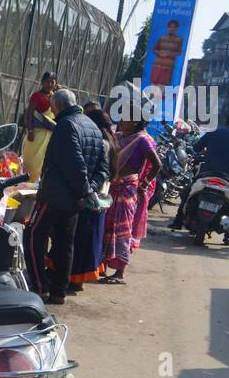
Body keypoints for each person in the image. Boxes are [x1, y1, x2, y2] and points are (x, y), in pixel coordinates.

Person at [24, 88, 109, 305]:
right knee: (64, 243)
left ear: (58, 106)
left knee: (33, 235)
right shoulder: (92, 127)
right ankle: (58, 292)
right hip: (75, 201)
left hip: (54, 197)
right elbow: (103, 168)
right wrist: (89, 190)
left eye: (53, 107)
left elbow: (75, 164)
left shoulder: (65, 125)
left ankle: (40, 287)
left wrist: (85, 191)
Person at [169, 110, 229, 243]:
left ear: (227, 121)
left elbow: (196, 148)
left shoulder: (214, 132)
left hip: (207, 172)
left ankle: (178, 221)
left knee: (188, 192)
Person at [61, 107, 119, 292]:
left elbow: (91, 172)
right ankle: (78, 279)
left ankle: (74, 278)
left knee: (80, 241)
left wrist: (84, 191)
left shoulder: (101, 143)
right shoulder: (111, 142)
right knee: (90, 241)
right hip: (100, 200)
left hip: (90, 199)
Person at [99, 111, 160, 283]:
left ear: (134, 122)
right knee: (107, 226)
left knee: (123, 229)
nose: (121, 121)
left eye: (125, 118)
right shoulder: (118, 136)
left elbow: (157, 164)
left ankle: (120, 272)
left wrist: (145, 183)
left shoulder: (142, 140)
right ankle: (102, 265)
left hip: (127, 188)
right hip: (113, 185)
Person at [21, 71, 58, 180]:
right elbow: (29, 113)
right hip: (37, 134)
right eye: (47, 82)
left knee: (44, 161)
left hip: (50, 134)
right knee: (32, 160)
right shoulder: (37, 96)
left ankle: (37, 185)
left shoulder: (55, 96)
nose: (50, 84)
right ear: (42, 82)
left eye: (52, 82)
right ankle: (28, 181)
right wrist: (30, 131)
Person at [149, 20, 184, 90]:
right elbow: (154, 50)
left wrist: (169, 54)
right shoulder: (162, 38)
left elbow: (179, 53)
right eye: (170, 27)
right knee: (152, 87)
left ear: (177, 29)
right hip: (157, 66)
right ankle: (148, 99)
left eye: (174, 27)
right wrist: (160, 53)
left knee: (161, 89)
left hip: (167, 68)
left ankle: (157, 100)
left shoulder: (179, 40)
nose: (172, 29)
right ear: (168, 28)